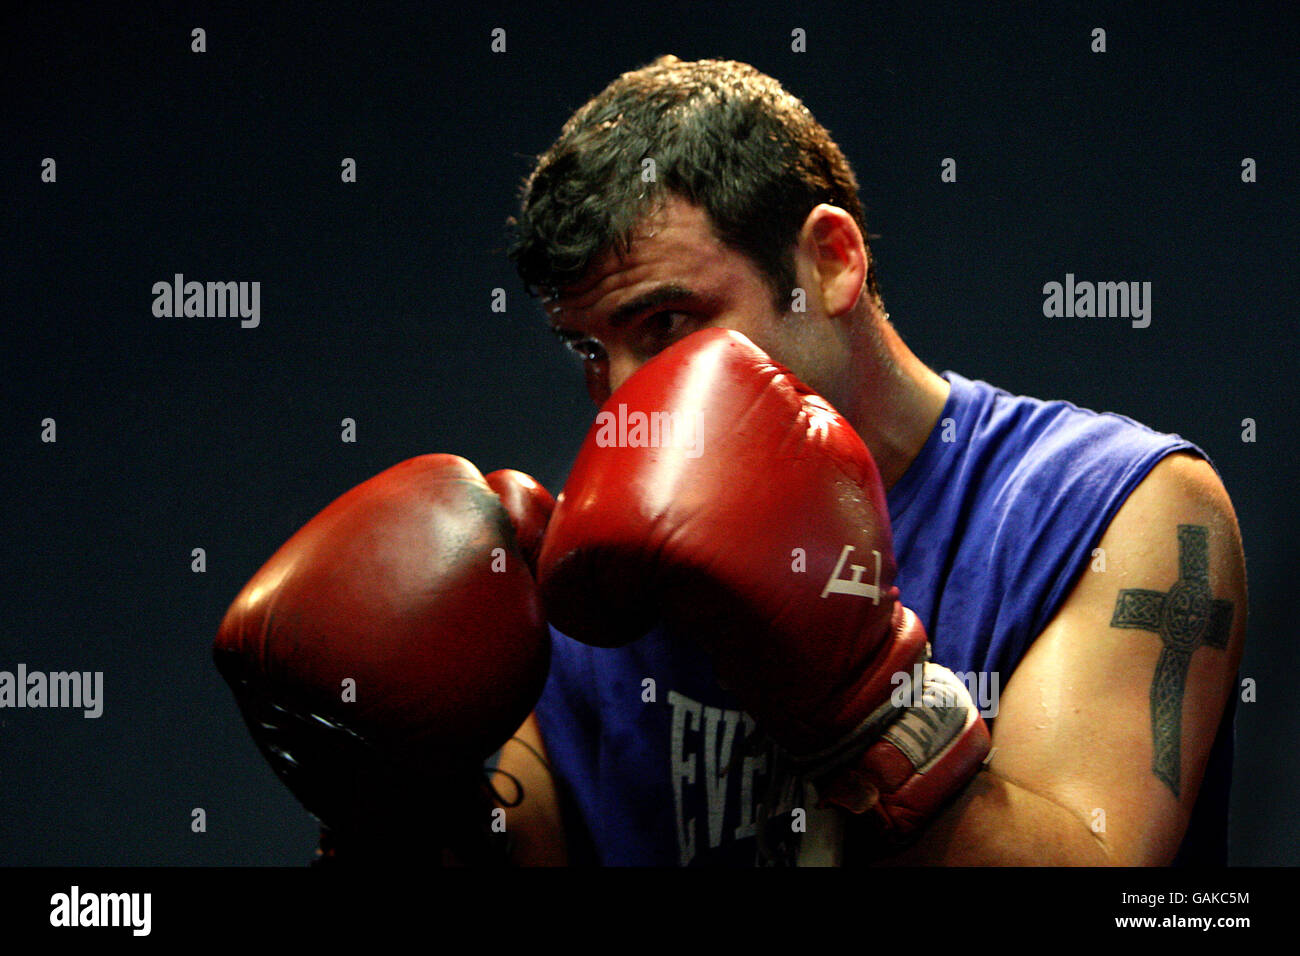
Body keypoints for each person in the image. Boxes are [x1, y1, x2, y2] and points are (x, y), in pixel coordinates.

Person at [494, 55, 1247, 866]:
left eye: (668, 323)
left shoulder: (1114, 511)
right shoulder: (601, 568)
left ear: (831, 262)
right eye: (589, 349)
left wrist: (869, 707)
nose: (622, 398)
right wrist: (399, 794)